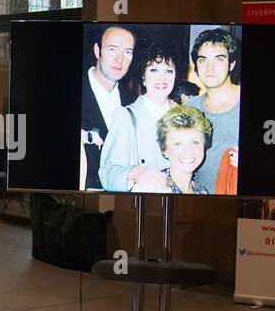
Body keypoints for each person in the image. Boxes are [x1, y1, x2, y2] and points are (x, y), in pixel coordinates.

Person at [98, 41, 179, 192]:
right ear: (143, 76)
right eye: (154, 70)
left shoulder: (183, 116)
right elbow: (107, 174)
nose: (162, 78)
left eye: (169, 71)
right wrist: (135, 172)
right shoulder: (126, 117)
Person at [182, 27, 241, 194]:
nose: (209, 68)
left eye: (219, 59)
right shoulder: (189, 109)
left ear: (232, 63)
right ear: (196, 66)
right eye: (202, 60)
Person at [80, 25, 135, 190]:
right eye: (113, 49)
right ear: (97, 51)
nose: (120, 59)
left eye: (128, 52)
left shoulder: (133, 101)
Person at [155, 106, 213, 194]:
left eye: (195, 142)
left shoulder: (201, 191)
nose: (188, 151)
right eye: (178, 144)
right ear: (164, 149)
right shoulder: (154, 188)